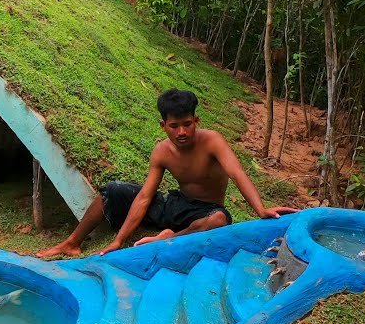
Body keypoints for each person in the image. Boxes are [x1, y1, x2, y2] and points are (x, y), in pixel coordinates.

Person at [37, 88, 298, 259]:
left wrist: (261, 210)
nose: (182, 132)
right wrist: (119, 241)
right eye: (175, 126)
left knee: (218, 220)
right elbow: (144, 197)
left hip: (205, 211)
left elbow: (237, 173)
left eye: (187, 124)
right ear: (164, 126)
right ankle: (72, 242)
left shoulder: (213, 141)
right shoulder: (161, 152)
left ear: (196, 121)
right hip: (174, 205)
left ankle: (172, 237)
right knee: (113, 190)